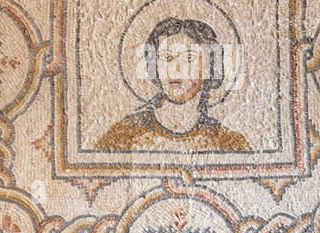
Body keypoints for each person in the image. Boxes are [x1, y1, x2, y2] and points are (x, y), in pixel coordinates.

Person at [96, 17, 250, 152]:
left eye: (189, 58)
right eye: (167, 57)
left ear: (210, 67)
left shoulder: (228, 143)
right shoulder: (123, 136)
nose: (176, 69)